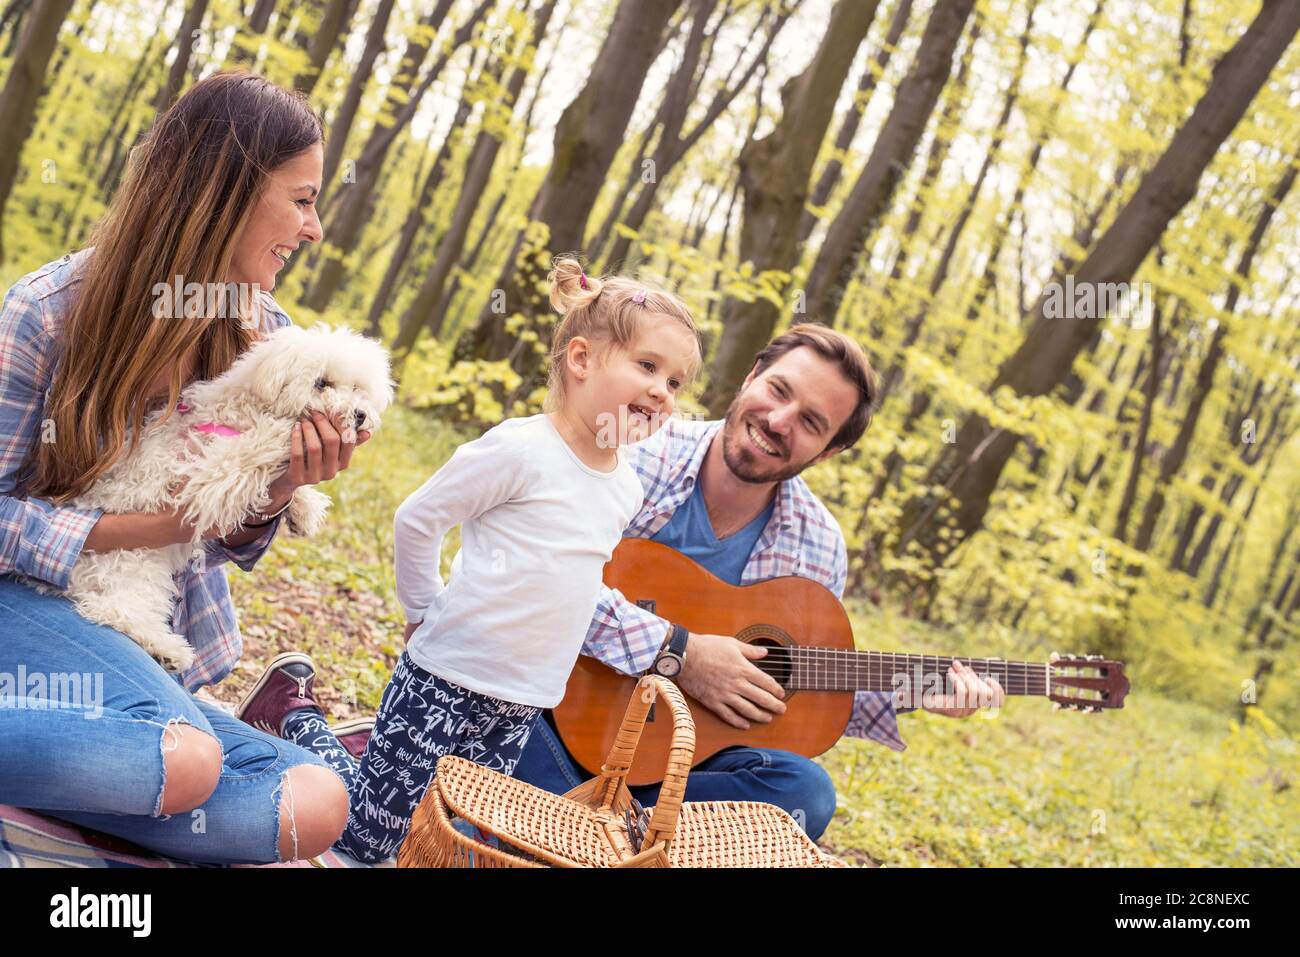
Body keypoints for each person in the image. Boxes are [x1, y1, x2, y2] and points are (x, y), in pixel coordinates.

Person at [0, 72, 368, 865]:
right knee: (185, 758)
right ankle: (110, 762)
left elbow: (233, 540)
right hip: (21, 606)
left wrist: (275, 492)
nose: (314, 228)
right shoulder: (49, 311)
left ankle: (57, 789)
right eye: (301, 199)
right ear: (226, 189)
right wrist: (156, 523)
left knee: (314, 804)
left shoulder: (266, 334)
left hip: (141, 631)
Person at [237, 258, 702, 862]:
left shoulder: (625, 488)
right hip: (448, 674)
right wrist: (422, 605)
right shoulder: (521, 449)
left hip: (525, 697)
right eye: (647, 367)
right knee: (368, 834)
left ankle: (374, 758)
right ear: (582, 359)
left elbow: (571, 581)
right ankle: (292, 713)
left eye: (676, 382)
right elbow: (419, 518)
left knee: (449, 829)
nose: (662, 392)